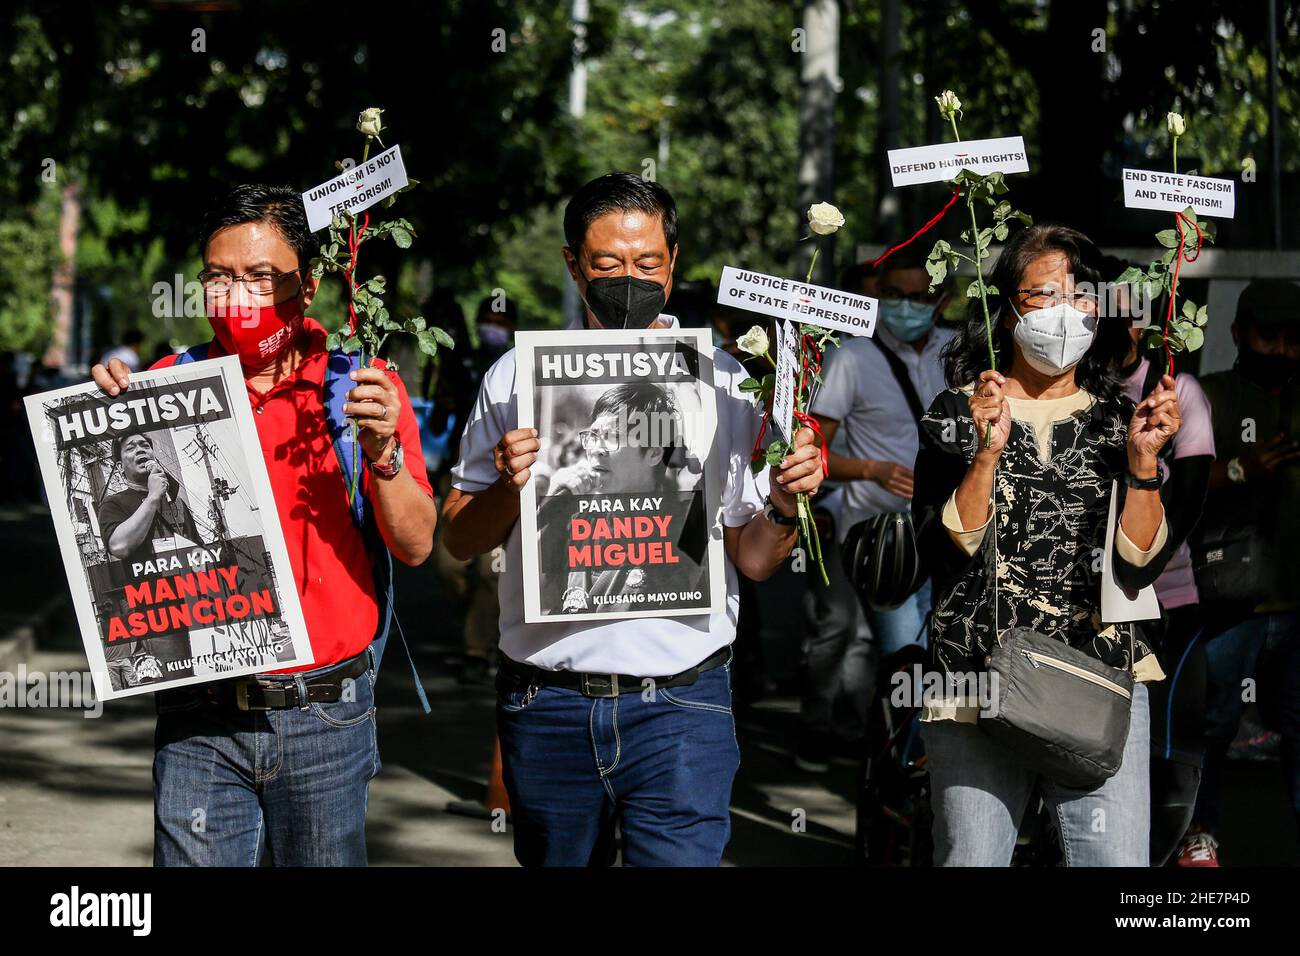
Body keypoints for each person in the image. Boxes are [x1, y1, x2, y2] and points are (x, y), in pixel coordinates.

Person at [441, 172, 824, 866]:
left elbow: (759, 558)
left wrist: (785, 504)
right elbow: (461, 536)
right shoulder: (515, 378)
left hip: (683, 706)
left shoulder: (727, 384)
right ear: (572, 265)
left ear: (673, 263)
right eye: (608, 264)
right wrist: (507, 485)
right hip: (548, 705)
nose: (630, 278)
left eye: (647, 263)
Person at [90, 183, 436, 866]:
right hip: (202, 716)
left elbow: (417, 543)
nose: (238, 297)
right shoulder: (166, 386)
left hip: (326, 714)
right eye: (219, 279)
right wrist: (98, 422)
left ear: (306, 289)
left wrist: (383, 453)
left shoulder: (360, 388)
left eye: (260, 278)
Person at [912, 223, 1181, 866]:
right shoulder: (956, 414)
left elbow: (1137, 562)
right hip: (976, 681)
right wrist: (986, 453)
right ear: (1006, 312)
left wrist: (1143, 463)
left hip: (1099, 678)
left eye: (1080, 297)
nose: (1063, 313)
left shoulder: (1123, 420)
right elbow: (948, 551)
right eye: (1041, 296)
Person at [799, 247, 954, 771]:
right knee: (901, 660)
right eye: (894, 296)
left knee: (944, 658)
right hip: (880, 540)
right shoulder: (853, 358)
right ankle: (900, 769)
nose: (906, 306)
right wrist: (870, 470)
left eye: (919, 297)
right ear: (878, 296)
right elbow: (813, 452)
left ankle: (916, 763)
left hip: (953, 533)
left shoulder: (962, 354)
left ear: (942, 299)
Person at [1104, 266, 1217, 868]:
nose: (1104, 336)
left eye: (1119, 326)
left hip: (1168, 608)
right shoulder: (1075, 395)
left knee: (1174, 757)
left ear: (1144, 332)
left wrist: (1136, 574)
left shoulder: (1179, 393)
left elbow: (1191, 499)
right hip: (1089, 613)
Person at [1185, 278, 1300, 865]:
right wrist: (1237, 470)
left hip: (1296, 600)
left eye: (1294, 337)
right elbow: (1176, 484)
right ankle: (1199, 831)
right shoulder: (1211, 396)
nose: (1282, 349)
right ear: (1237, 333)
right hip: (1234, 598)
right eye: (1268, 335)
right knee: (1215, 723)